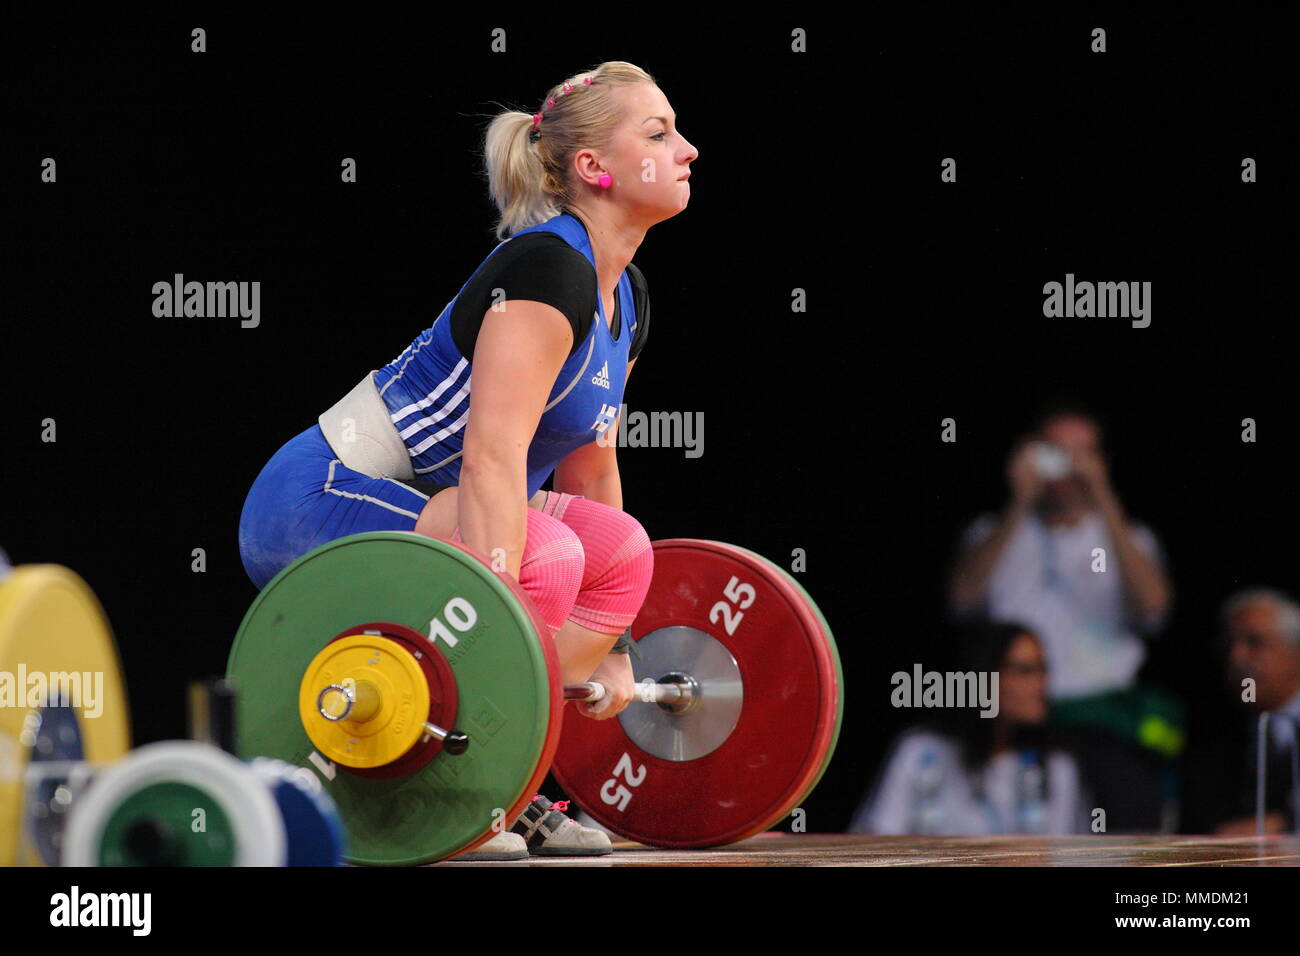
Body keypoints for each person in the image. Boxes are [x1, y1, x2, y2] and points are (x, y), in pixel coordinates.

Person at [237, 61, 698, 859]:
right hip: (321, 499)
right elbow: (491, 459)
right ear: (594, 168)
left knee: (621, 557)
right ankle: (473, 792)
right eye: (658, 133)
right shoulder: (547, 270)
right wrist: (497, 610)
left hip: (445, 509)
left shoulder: (630, 295)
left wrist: (617, 643)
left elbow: (591, 471)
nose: (687, 148)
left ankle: (499, 780)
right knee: (544, 556)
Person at [849, 622, 1091, 834]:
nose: (1041, 683)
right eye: (1025, 671)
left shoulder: (1057, 768)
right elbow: (876, 839)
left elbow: (1066, 856)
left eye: (1043, 669)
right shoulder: (922, 751)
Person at [1182, 588, 1300, 834]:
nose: (1237, 656)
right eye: (1229, 645)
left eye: (1254, 642)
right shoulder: (1216, 733)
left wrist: (1284, 824)